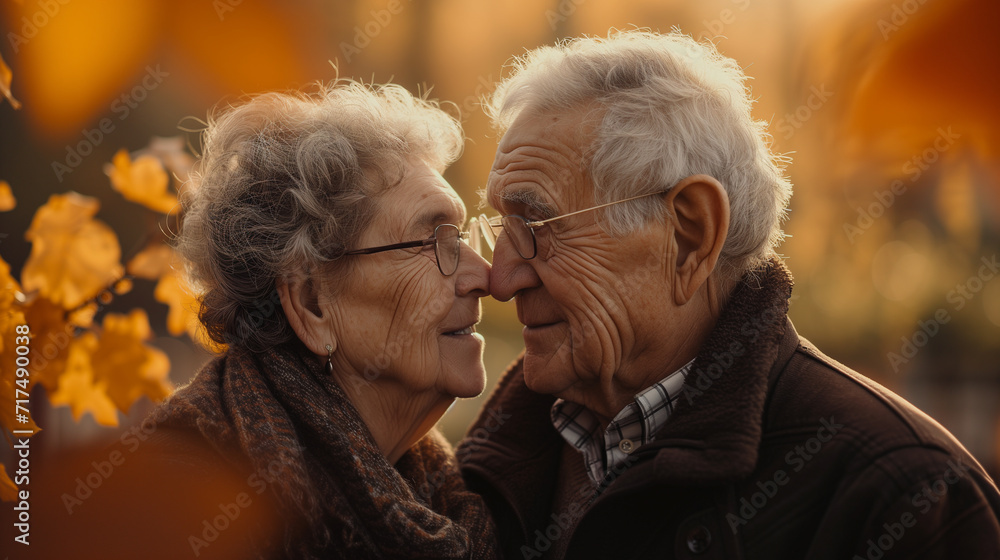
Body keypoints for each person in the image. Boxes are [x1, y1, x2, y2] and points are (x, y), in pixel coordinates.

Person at [458, 30, 1000, 559]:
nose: (499, 281)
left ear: (691, 235)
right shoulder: (479, 475)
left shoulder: (905, 495)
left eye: (537, 226)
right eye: (499, 228)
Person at [32, 81, 500, 559]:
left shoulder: (437, 495)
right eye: (430, 243)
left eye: (461, 236)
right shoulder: (174, 514)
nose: (483, 275)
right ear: (312, 303)